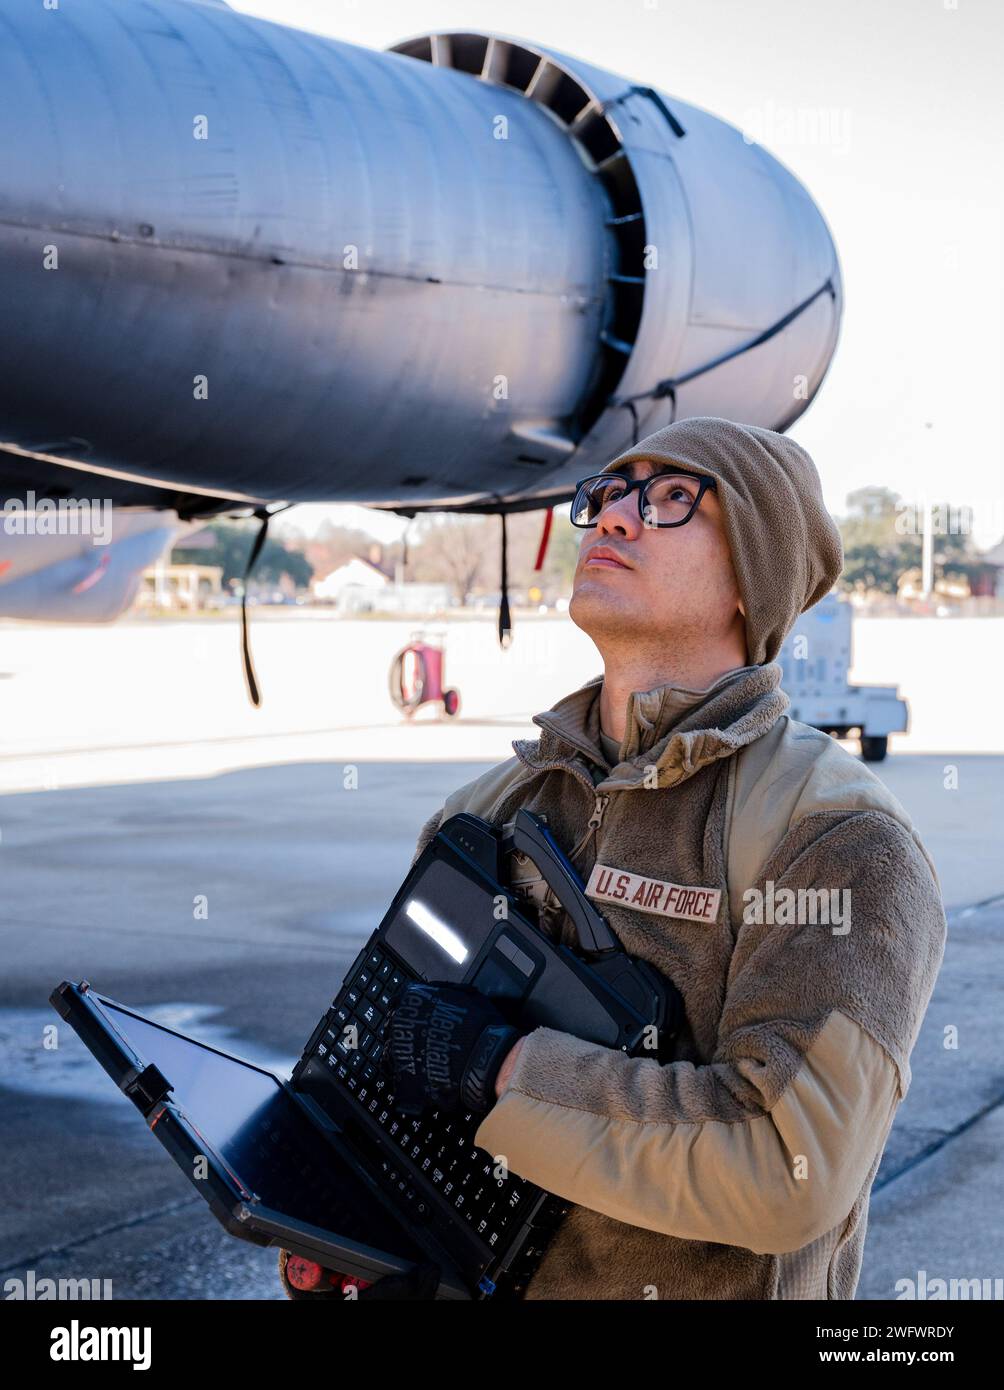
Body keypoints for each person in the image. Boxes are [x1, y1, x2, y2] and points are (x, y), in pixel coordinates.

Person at [281, 416, 947, 1301]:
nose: (616, 519)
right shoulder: (484, 811)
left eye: (676, 499)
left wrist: (505, 1069)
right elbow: (398, 1065)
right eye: (611, 494)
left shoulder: (835, 838)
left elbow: (787, 1165)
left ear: (756, 577)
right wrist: (350, 1232)